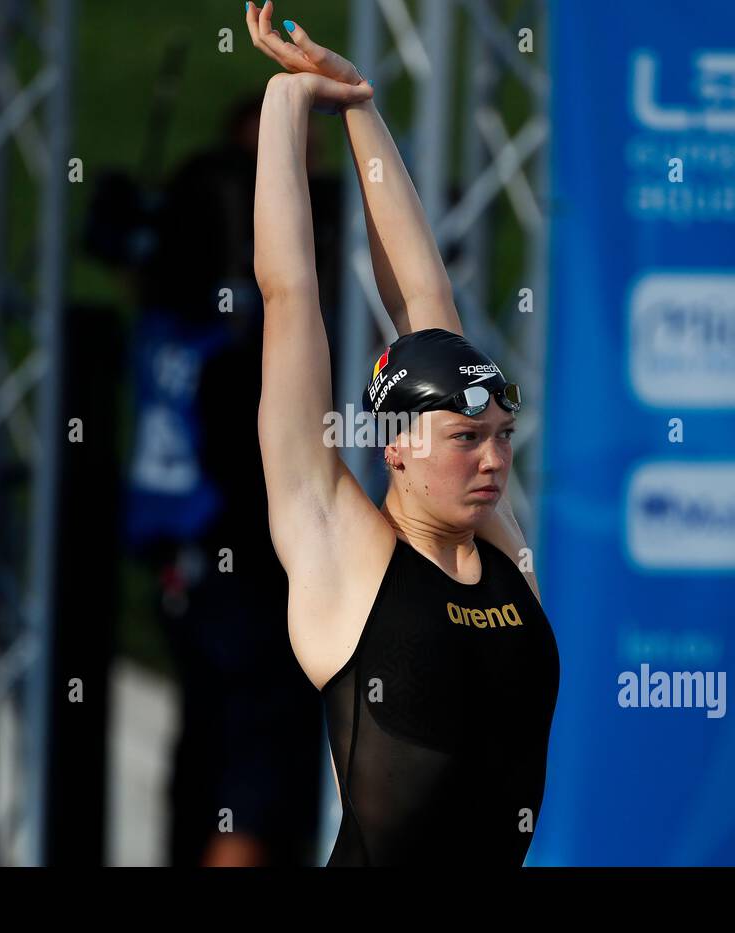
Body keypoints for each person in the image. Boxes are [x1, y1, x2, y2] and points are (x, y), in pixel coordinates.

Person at [244, 2, 560, 866]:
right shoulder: (339, 549)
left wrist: (357, 105)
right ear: (397, 445)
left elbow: (428, 310)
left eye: (503, 434)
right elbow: (289, 294)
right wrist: (288, 103)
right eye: (467, 438)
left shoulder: (497, 545)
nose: (495, 459)